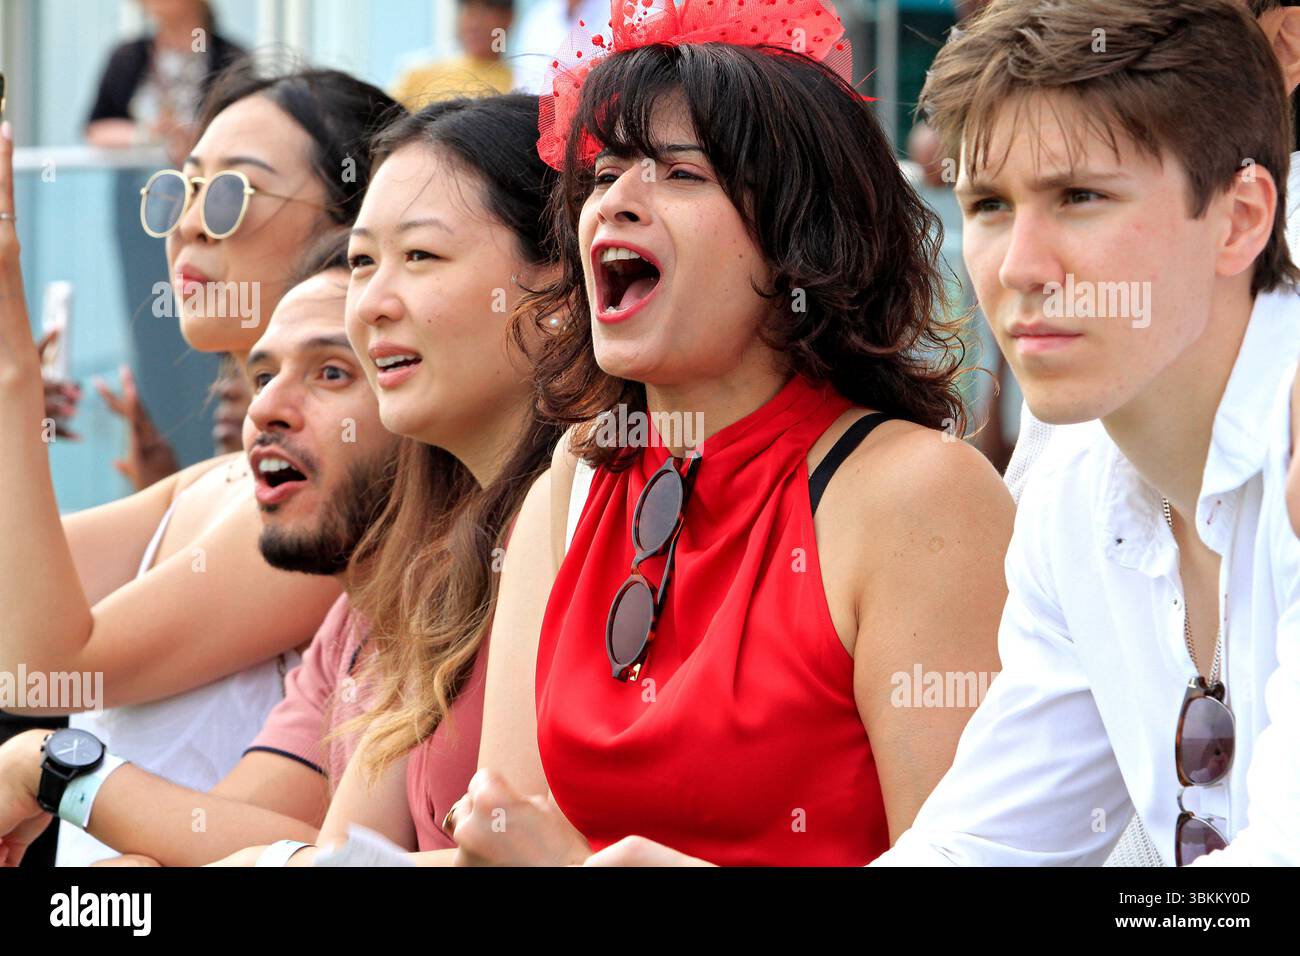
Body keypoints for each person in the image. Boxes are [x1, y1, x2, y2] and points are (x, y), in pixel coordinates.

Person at [443, 0, 1012, 867]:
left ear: (799, 236)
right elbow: (507, 829)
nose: (617, 205)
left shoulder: (916, 493)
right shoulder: (577, 473)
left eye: (680, 174)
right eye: (601, 175)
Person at [856, 0, 1300, 867]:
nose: (1019, 266)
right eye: (986, 204)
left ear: (1242, 217)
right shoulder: (1070, 488)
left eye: (1080, 196)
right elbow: (983, 845)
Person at [0, 65, 398, 866]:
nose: (189, 228)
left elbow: (42, 672)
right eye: (180, 193)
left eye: (231, 196)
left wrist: (11, 371)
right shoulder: (216, 481)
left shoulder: (329, 498)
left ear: (355, 229)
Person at [208, 93, 566, 867]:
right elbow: (345, 850)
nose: (372, 304)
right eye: (364, 261)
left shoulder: (600, 517)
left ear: (557, 291)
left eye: (421, 257)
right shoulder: (436, 559)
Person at [85, 0, 244, 164]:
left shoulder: (229, 59)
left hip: (208, 182)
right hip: (139, 183)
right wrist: (147, 135)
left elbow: (245, 130)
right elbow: (95, 130)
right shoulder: (129, 57)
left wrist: (200, 136)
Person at [391, 0, 515, 110]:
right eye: (468, 11)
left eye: (484, 13)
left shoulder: (520, 82)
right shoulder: (419, 73)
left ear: (508, 18)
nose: (473, 24)